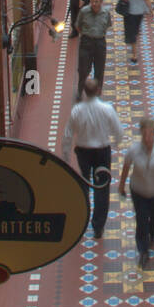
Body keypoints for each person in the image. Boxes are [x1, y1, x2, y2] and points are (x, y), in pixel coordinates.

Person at [62, 78, 124, 239]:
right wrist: (117, 142)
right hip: (102, 151)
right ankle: (98, 225)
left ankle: (83, 217)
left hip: (83, 151)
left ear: (84, 91)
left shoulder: (77, 110)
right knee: (101, 187)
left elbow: (68, 134)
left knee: (84, 182)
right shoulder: (107, 109)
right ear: (98, 91)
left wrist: (65, 154)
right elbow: (118, 130)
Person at [119, 118, 154, 269]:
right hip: (139, 191)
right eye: (144, 134)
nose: (147, 138)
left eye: (150, 134)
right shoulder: (134, 149)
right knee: (141, 219)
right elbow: (126, 166)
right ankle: (143, 251)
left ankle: (153, 233)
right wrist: (121, 185)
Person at [75, 0, 112, 97]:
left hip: (100, 42)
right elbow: (78, 25)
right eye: (92, 1)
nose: (94, 4)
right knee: (83, 69)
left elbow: (108, 25)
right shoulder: (84, 11)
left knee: (99, 69)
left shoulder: (106, 12)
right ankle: (80, 90)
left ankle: (97, 92)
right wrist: (86, 34)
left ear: (101, 2)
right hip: (86, 42)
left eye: (96, 2)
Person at [122, 0, 152, 64]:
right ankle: (134, 42)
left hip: (130, 12)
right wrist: (150, 10)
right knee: (136, 30)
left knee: (132, 33)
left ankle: (134, 54)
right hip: (140, 11)